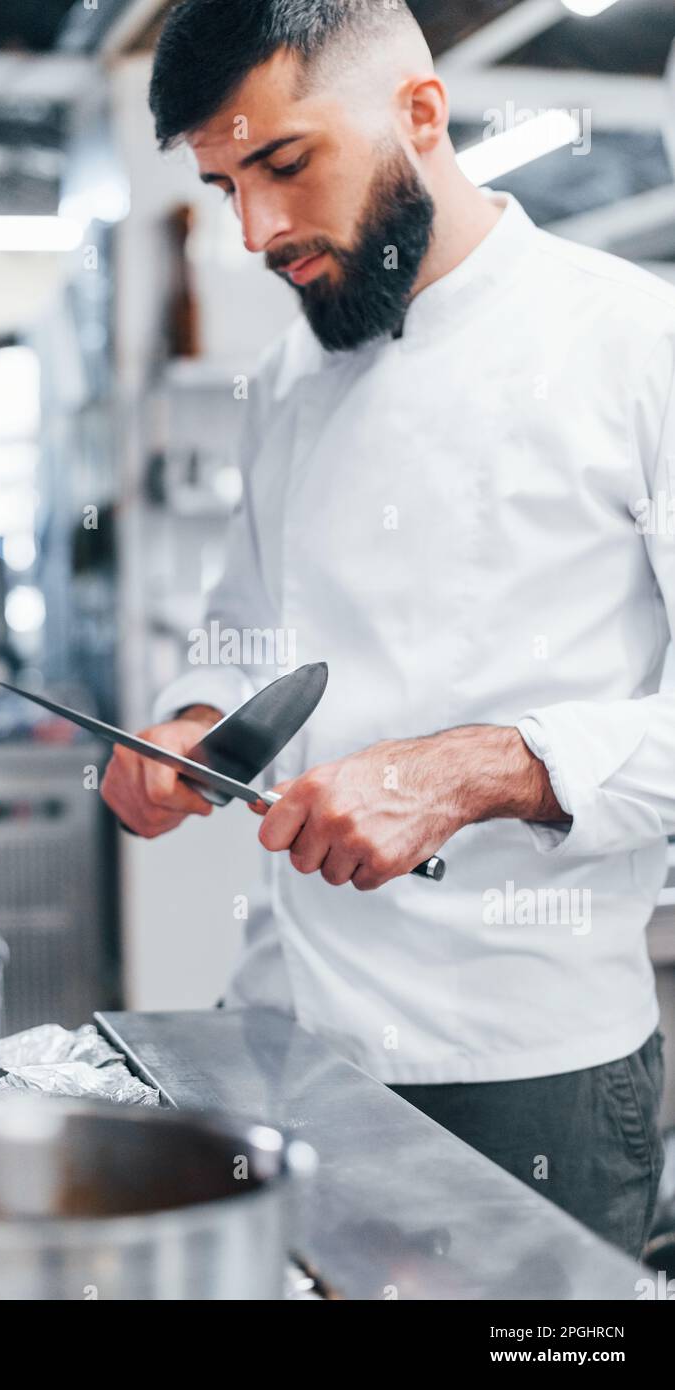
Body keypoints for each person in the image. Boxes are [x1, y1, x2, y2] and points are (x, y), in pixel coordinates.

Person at [101, 0, 673, 1259]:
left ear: (420, 114)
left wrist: (470, 770)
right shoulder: (293, 384)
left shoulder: (634, 347)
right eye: (221, 185)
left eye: (284, 165)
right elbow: (246, 632)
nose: (253, 232)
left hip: (527, 1069)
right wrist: (193, 732)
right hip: (288, 1040)